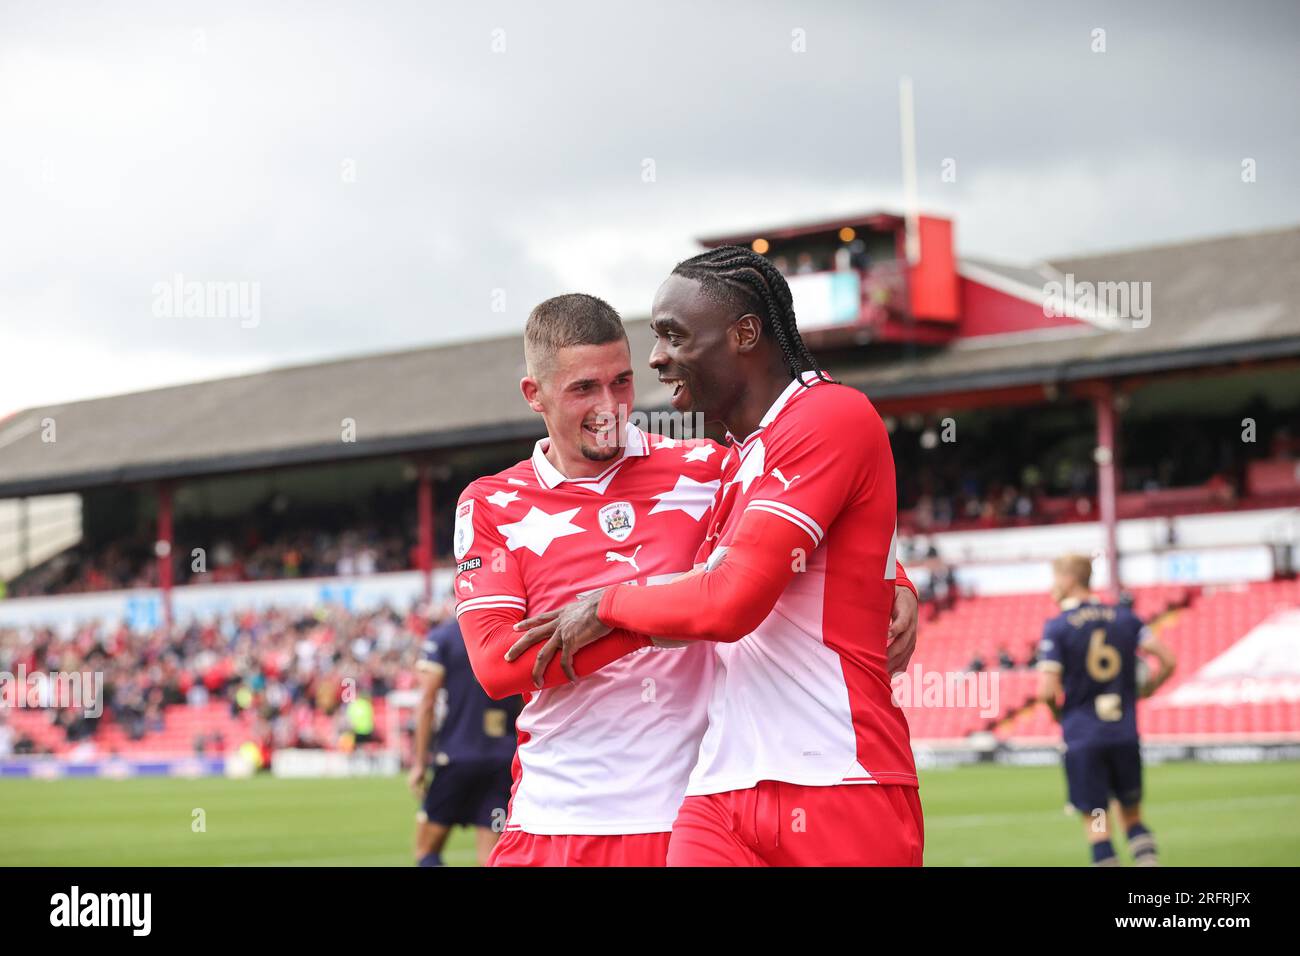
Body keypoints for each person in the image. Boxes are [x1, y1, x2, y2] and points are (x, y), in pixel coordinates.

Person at [460, 291, 922, 865]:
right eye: (584, 389)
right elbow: (497, 665)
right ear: (535, 394)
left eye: (622, 382)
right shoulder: (491, 504)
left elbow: (830, 506)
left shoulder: (707, 466)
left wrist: (895, 577)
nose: (610, 407)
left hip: (683, 819)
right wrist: (685, 614)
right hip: (552, 821)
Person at [1035, 554, 1176, 866]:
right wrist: (1148, 688)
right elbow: (1168, 660)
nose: (1053, 585)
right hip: (1124, 735)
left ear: (1070, 579)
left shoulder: (1058, 626)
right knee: (1132, 815)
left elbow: (1045, 690)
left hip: (1085, 740)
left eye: (1056, 577)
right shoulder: (1125, 618)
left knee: (1098, 823)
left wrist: (1057, 714)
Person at [409, 612, 517, 867]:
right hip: (502, 760)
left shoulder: (443, 637)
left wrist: (419, 764)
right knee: (490, 859)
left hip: (456, 758)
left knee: (426, 849)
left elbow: (427, 703)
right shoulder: (508, 633)